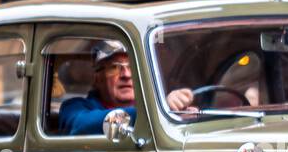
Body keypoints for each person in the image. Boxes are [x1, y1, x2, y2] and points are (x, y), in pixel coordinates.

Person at [58, 43, 194, 135]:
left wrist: (180, 117)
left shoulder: (151, 108)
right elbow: (82, 126)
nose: (126, 75)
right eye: (114, 68)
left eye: (132, 67)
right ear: (97, 79)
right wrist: (157, 111)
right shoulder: (74, 107)